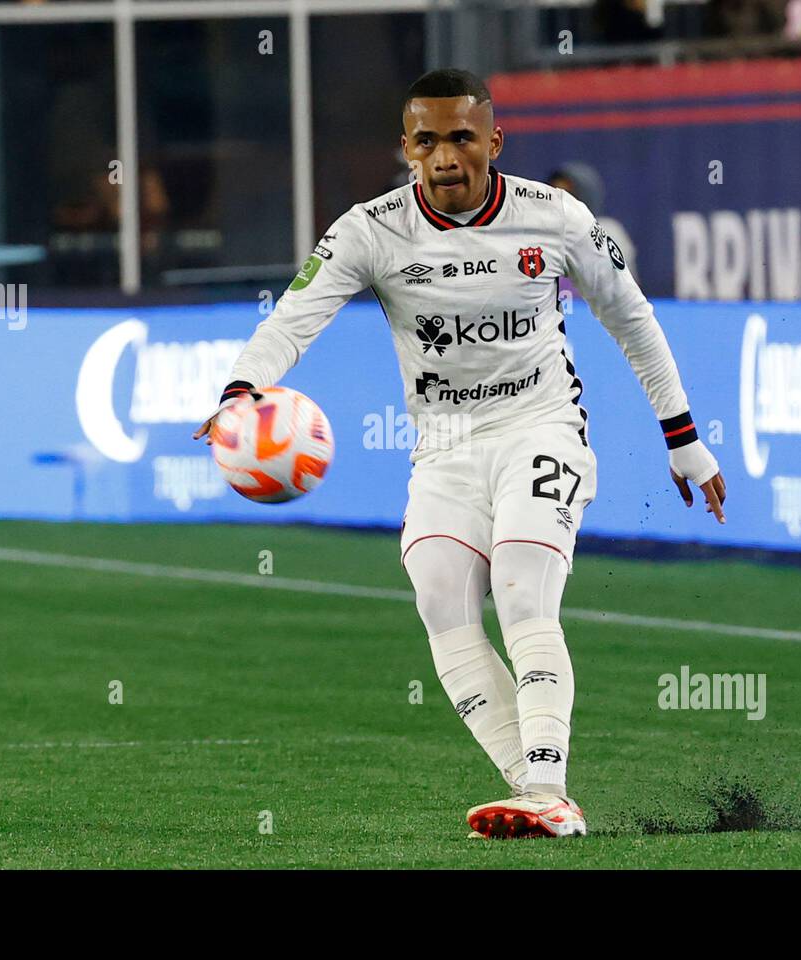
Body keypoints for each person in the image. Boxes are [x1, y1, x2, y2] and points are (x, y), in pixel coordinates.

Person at [193, 69, 725, 840]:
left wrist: (684, 440)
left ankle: (547, 790)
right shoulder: (368, 231)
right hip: (442, 449)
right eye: (428, 141)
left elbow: (632, 319)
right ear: (407, 149)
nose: (445, 156)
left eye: (462, 138)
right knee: (442, 599)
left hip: (542, 432)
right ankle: (540, 793)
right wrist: (243, 387)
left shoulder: (556, 217)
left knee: (519, 587)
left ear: (494, 143)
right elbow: (294, 317)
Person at [547, 162, 639, 283]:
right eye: (555, 195)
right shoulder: (541, 231)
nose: (562, 202)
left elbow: (622, 284)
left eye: (569, 194)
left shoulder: (609, 230)